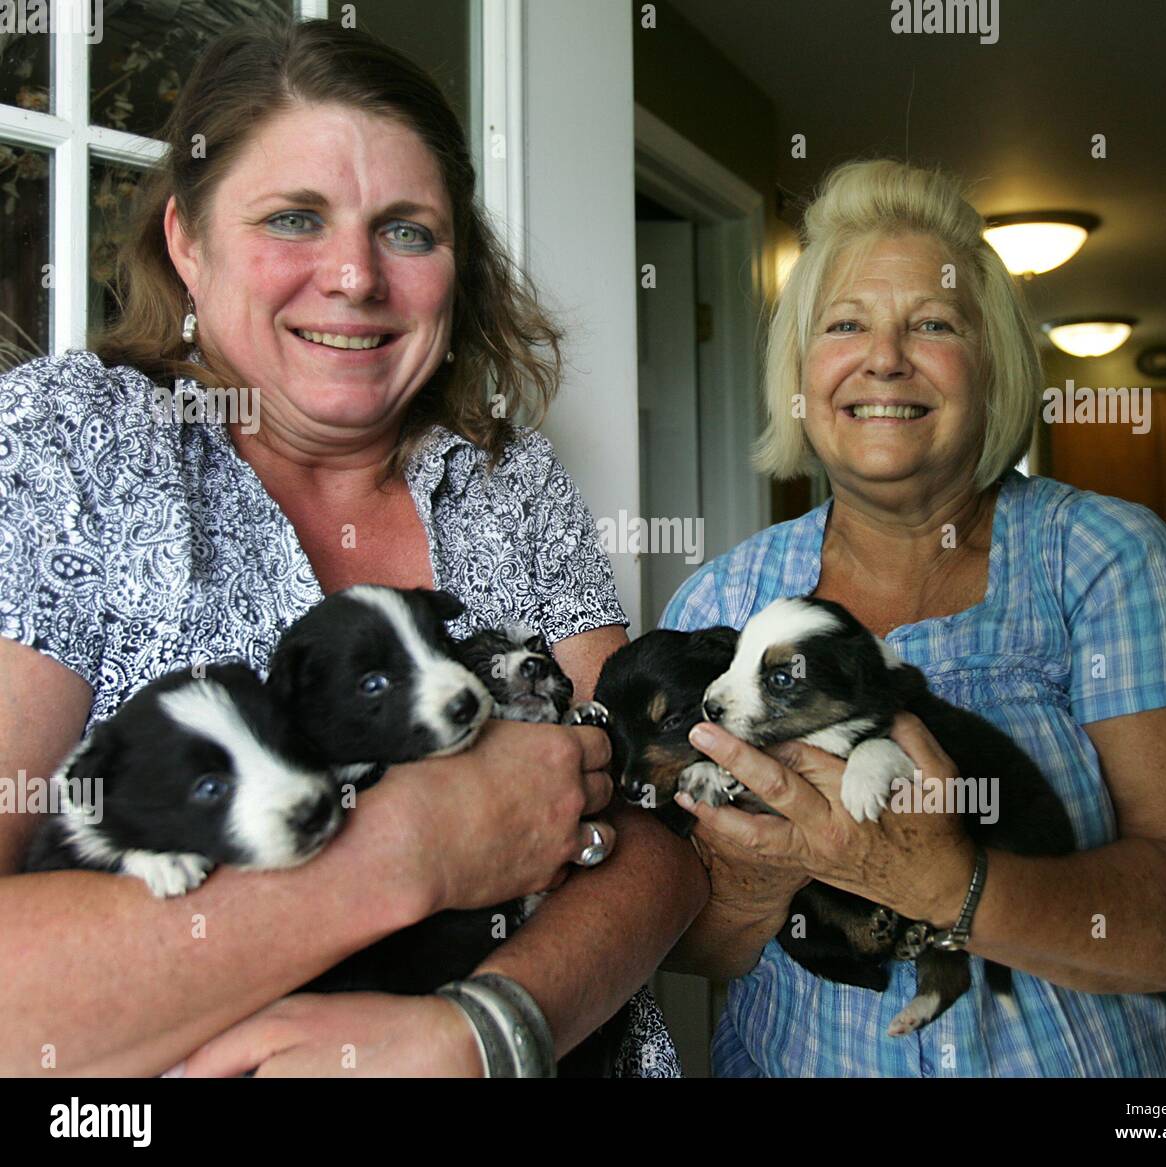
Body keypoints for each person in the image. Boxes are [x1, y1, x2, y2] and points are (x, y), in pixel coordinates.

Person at [0, 19, 705, 1077]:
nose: (354, 277)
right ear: (187, 241)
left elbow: (661, 840)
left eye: (408, 231)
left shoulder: (504, 478)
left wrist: (484, 1030)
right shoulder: (67, 450)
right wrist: (402, 850)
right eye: (294, 218)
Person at [659, 158, 1166, 1077]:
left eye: (934, 324)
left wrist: (947, 882)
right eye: (845, 324)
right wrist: (753, 882)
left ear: (991, 367)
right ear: (799, 371)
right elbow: (690, 946)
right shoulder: (718, 603)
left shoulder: (1108, 556)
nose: (884, 358)